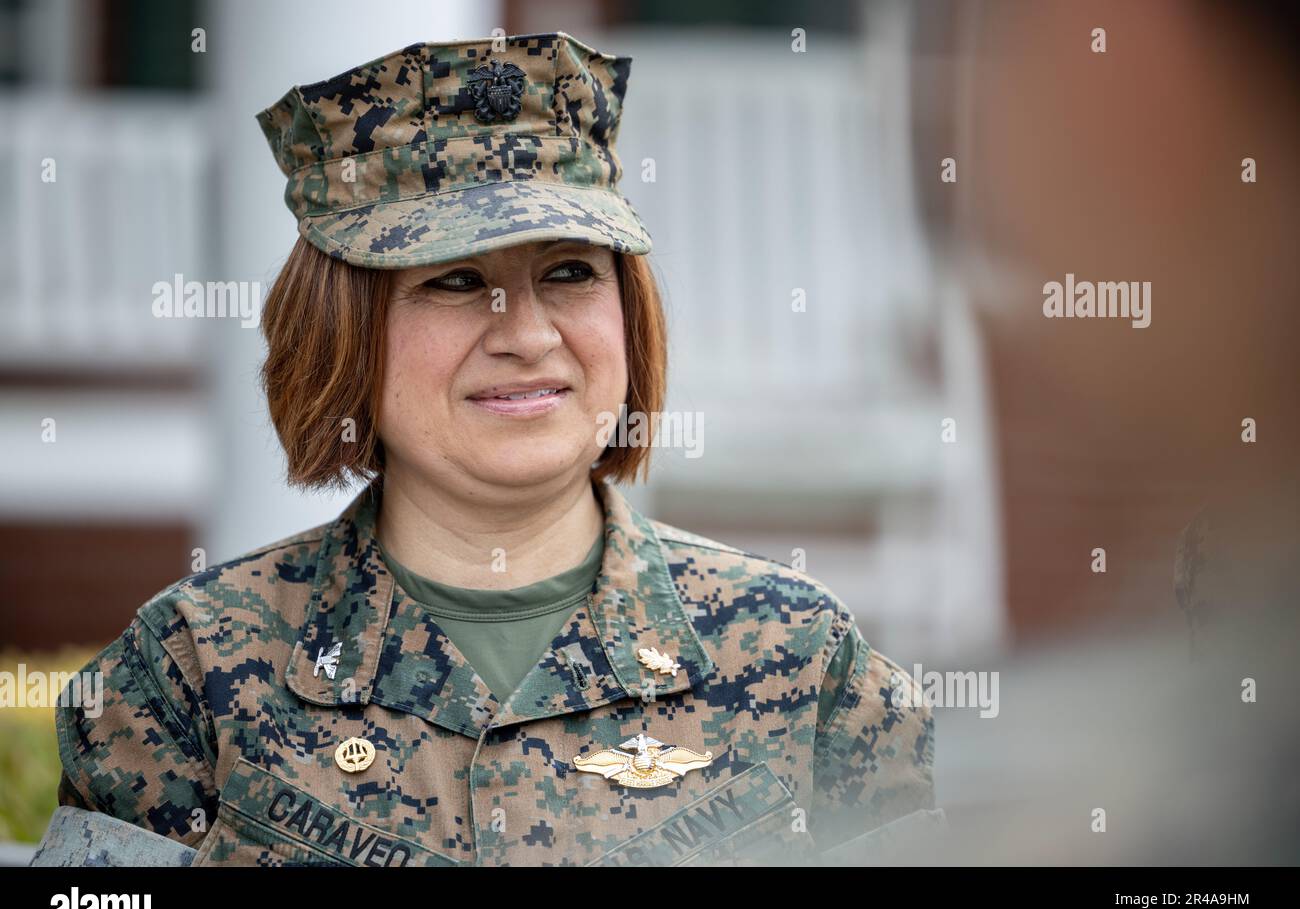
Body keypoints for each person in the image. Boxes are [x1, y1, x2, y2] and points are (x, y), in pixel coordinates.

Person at [52, 31, 934, 866]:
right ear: (341, 331)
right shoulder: (186, 674)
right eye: (457, 280)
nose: (528, 336)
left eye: (569, 270)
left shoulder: (807, 663)